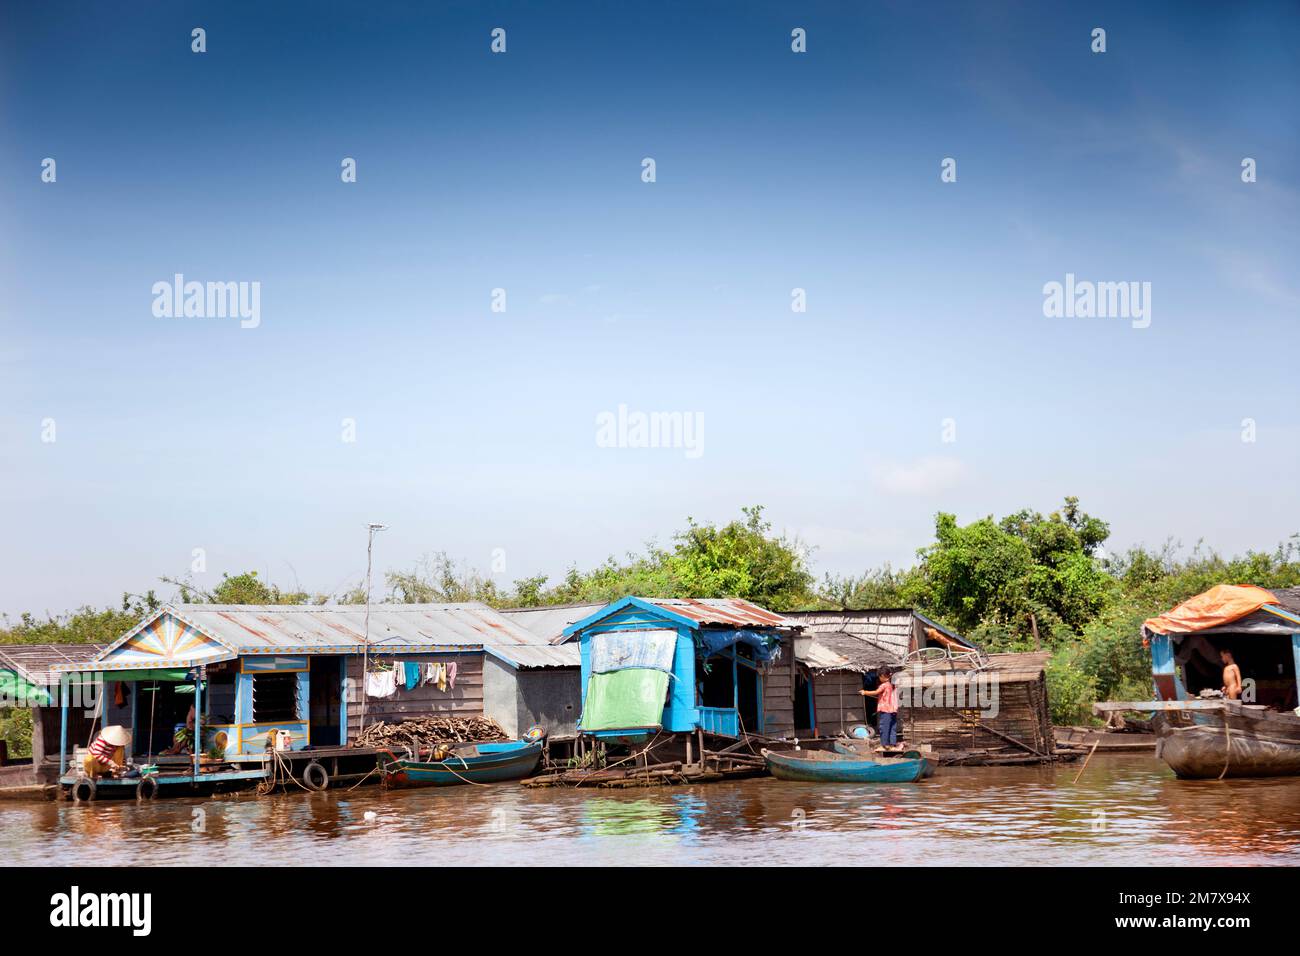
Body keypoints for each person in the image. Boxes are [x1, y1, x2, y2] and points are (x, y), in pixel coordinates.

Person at [861, 666, 902, 751]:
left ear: (883, 676)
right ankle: (892, 745)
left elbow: (876, 692)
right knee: (892, 728)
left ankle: (884, 745)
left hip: (886, 710)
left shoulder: (884, 685)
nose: (879, 678)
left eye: (879, 677)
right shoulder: (893, 685)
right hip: (893, 710)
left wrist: (864, 692)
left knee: (884, 728)